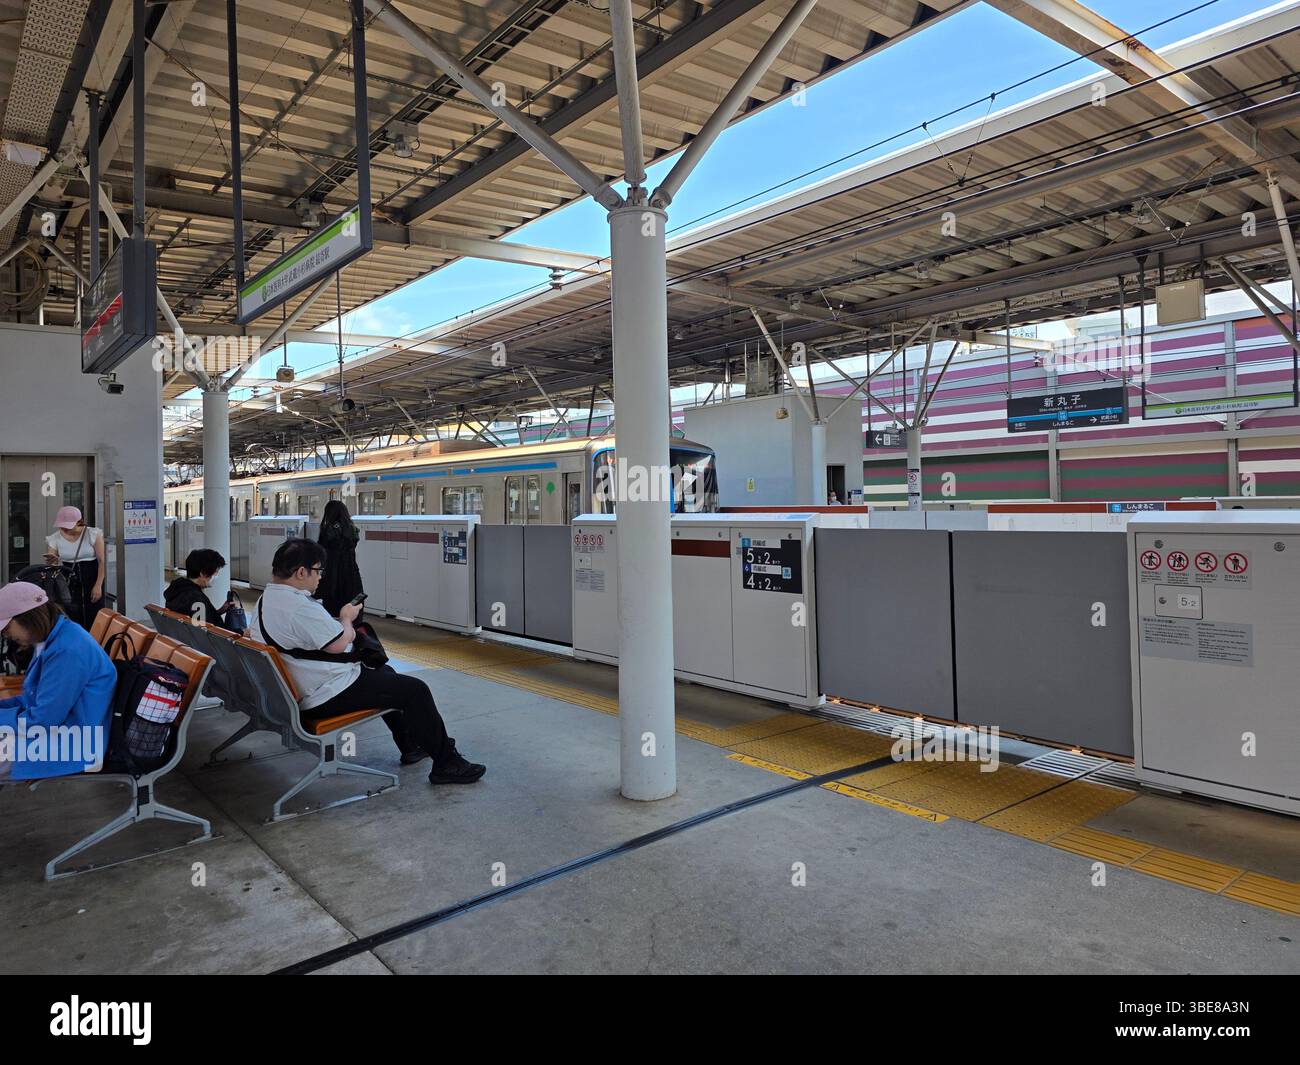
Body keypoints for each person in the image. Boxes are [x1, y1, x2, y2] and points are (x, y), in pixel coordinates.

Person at [251, 539, 484, 785]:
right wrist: (346, 618)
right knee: (416, 690)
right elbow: (339, 643)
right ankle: (447, 763)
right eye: (318, 571)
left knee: (386, 672)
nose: (320, 578)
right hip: (324, 694)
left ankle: (412, 744)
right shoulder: (298, 606)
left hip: (299, 688)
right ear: (301, 572)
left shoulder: (266, 600)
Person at [0, 582, 116, 781]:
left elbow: (41, 720)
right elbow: (36, 702)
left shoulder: (67, 651)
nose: (6, 635)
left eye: (7, 627)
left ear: (28, 618)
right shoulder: (58, 638)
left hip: (73, 745)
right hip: (61, 732)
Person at [43, 506, 105, 629]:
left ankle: (95, 642)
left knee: (95, 614)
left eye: (67, 525)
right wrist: (53, 561)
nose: (64, 528)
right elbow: (52, 567)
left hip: (92, 576)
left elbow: (102, 561)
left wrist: (98, 585)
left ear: (78, 522)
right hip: (69, 580)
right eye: (62, 525)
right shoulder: (54, 538)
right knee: (72, 613)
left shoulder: (92, 533)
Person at [165, 549, 246, 634]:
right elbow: (205, 634)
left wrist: (220, 611)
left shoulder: (178, 590)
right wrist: (241, 632)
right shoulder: (196, 599)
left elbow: (199, 620)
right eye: (215, 572)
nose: (216, 576)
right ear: (203, 574)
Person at [316, 499, 363, 618]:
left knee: (331, 608)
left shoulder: (328, 530)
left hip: (331, 573)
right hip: (351, 573)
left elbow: (321, 551)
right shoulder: (352, 529)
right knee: (351, 602)